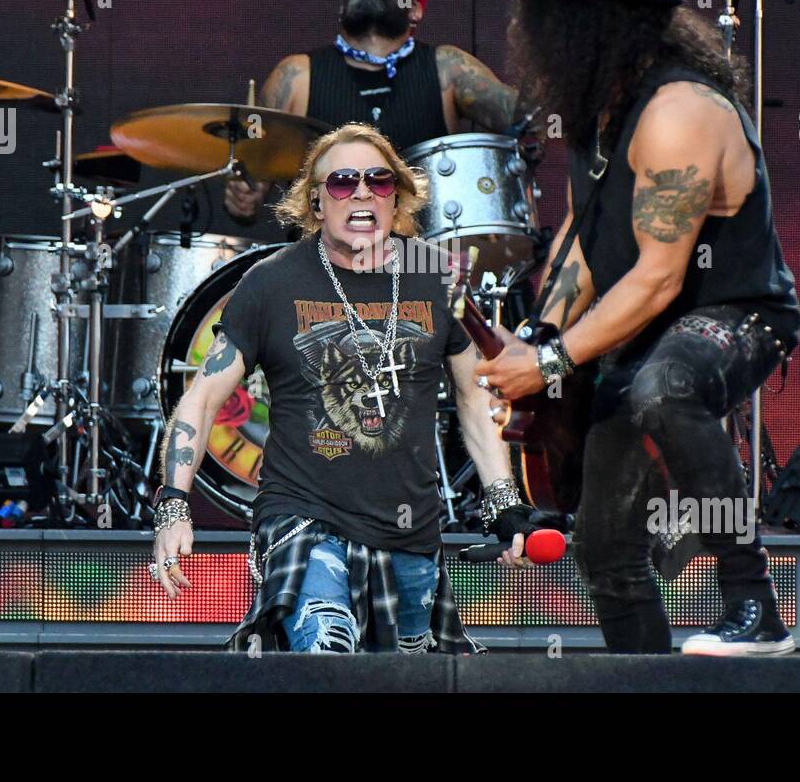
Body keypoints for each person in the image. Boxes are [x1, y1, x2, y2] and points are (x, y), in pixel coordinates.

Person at [474, 0, 800, 656]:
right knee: (603, 543)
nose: (531, 33)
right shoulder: (601, 114)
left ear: (587, 24)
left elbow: (657, 277)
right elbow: (585, 249)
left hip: (737, 314)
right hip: (646, 331)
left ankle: (755, 605)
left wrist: (552, 362)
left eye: (547, 16)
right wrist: (533, 339)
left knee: (664, 388)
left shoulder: (677, 110)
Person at [151, 122, 537, 653]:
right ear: (315, 200)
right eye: (342, 182)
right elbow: (202, 397)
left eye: (378, 181)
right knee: (325, 648)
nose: (361, 192)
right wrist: (174, 504)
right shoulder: (272, 280)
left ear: (396, 195)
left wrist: (504, 505)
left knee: (409, 674)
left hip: (412, 533)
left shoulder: (436, 274)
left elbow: (476, 397)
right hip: (305, 518)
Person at [223, 0, 518, 222]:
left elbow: (527, 120)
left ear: (415, 9)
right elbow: (252, 177)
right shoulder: (296, 74)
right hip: (322, 266)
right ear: (343, 4)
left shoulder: (448, 68)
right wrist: (245, 195)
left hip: (422, 262)